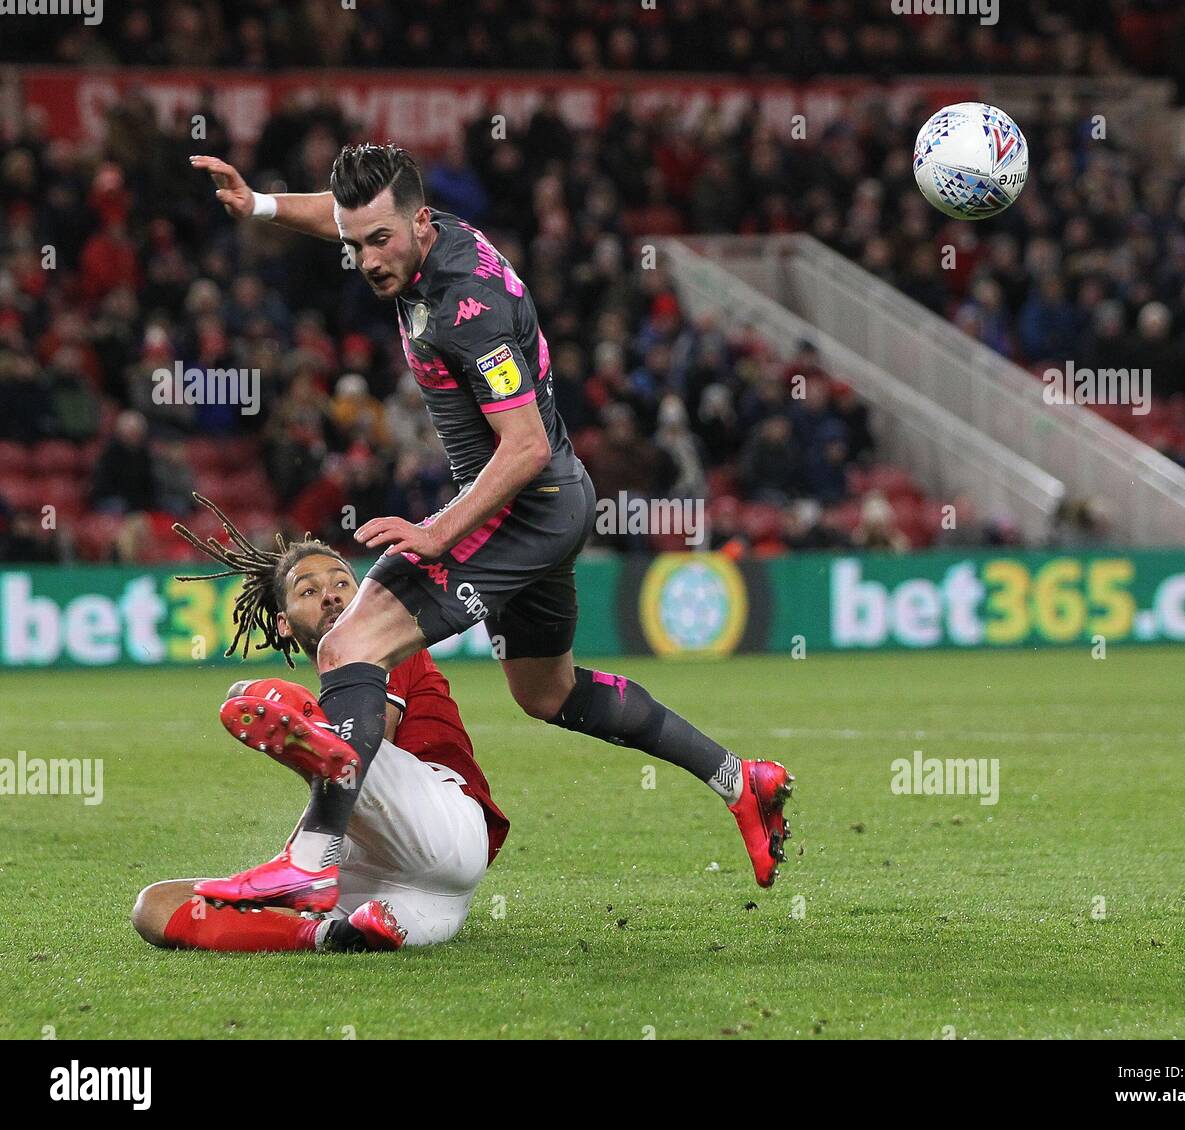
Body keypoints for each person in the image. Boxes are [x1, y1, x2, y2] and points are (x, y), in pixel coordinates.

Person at [186, 144, 793, 908]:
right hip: (551, 503)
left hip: (523, 503)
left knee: (350, 642)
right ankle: (743, 782)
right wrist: (264, 207)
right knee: (548, 694)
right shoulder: (424, 237)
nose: (368, 260)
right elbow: (348, 216)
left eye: (380, 242)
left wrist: (439, 532)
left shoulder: (462, 308)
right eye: (354, 245)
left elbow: (526, 445)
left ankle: (314, 857)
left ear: (420, 224)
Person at [130, 496, 506, 952]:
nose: (329, 595)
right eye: (308, 590)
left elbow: (361, 755)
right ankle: (325, 934)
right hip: (417, 897)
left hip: (443, 831)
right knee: (156, 906)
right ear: (285, 625)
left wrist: (304, 852)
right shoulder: (336, 688)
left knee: (248, 695)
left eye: (342, 583)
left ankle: (311, 868)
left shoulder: (389, 644)